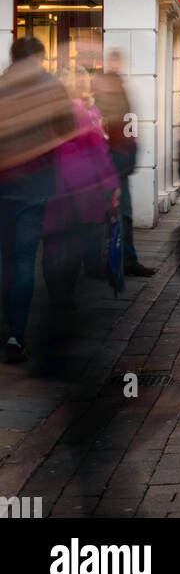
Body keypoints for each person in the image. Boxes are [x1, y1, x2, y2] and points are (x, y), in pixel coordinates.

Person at [0, 38, 77, 364]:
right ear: (39, 57)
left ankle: (9, 329)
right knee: (24, 259)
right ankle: (18, 334)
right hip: (38, 187)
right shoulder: (53, 87)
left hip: (4, 186)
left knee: (6, 260)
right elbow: (68, 130)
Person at [42, 66, 120, 307]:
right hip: (81, 186)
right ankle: (65, 292)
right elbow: (99, 152)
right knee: (75, 239)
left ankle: (56, 291)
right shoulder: (88, 113)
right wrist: (112, 185)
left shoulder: (47, 111)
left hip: (51, 185)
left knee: (52, 240)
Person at [92, 51, 154, 278]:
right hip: (112, 161)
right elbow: (111, 128)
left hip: (118, 160)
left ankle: (119, 260)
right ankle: (117, 261)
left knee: (118, 213)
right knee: (117, 213)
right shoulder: (108, 91)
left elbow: (130, 125)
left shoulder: (118, 89)